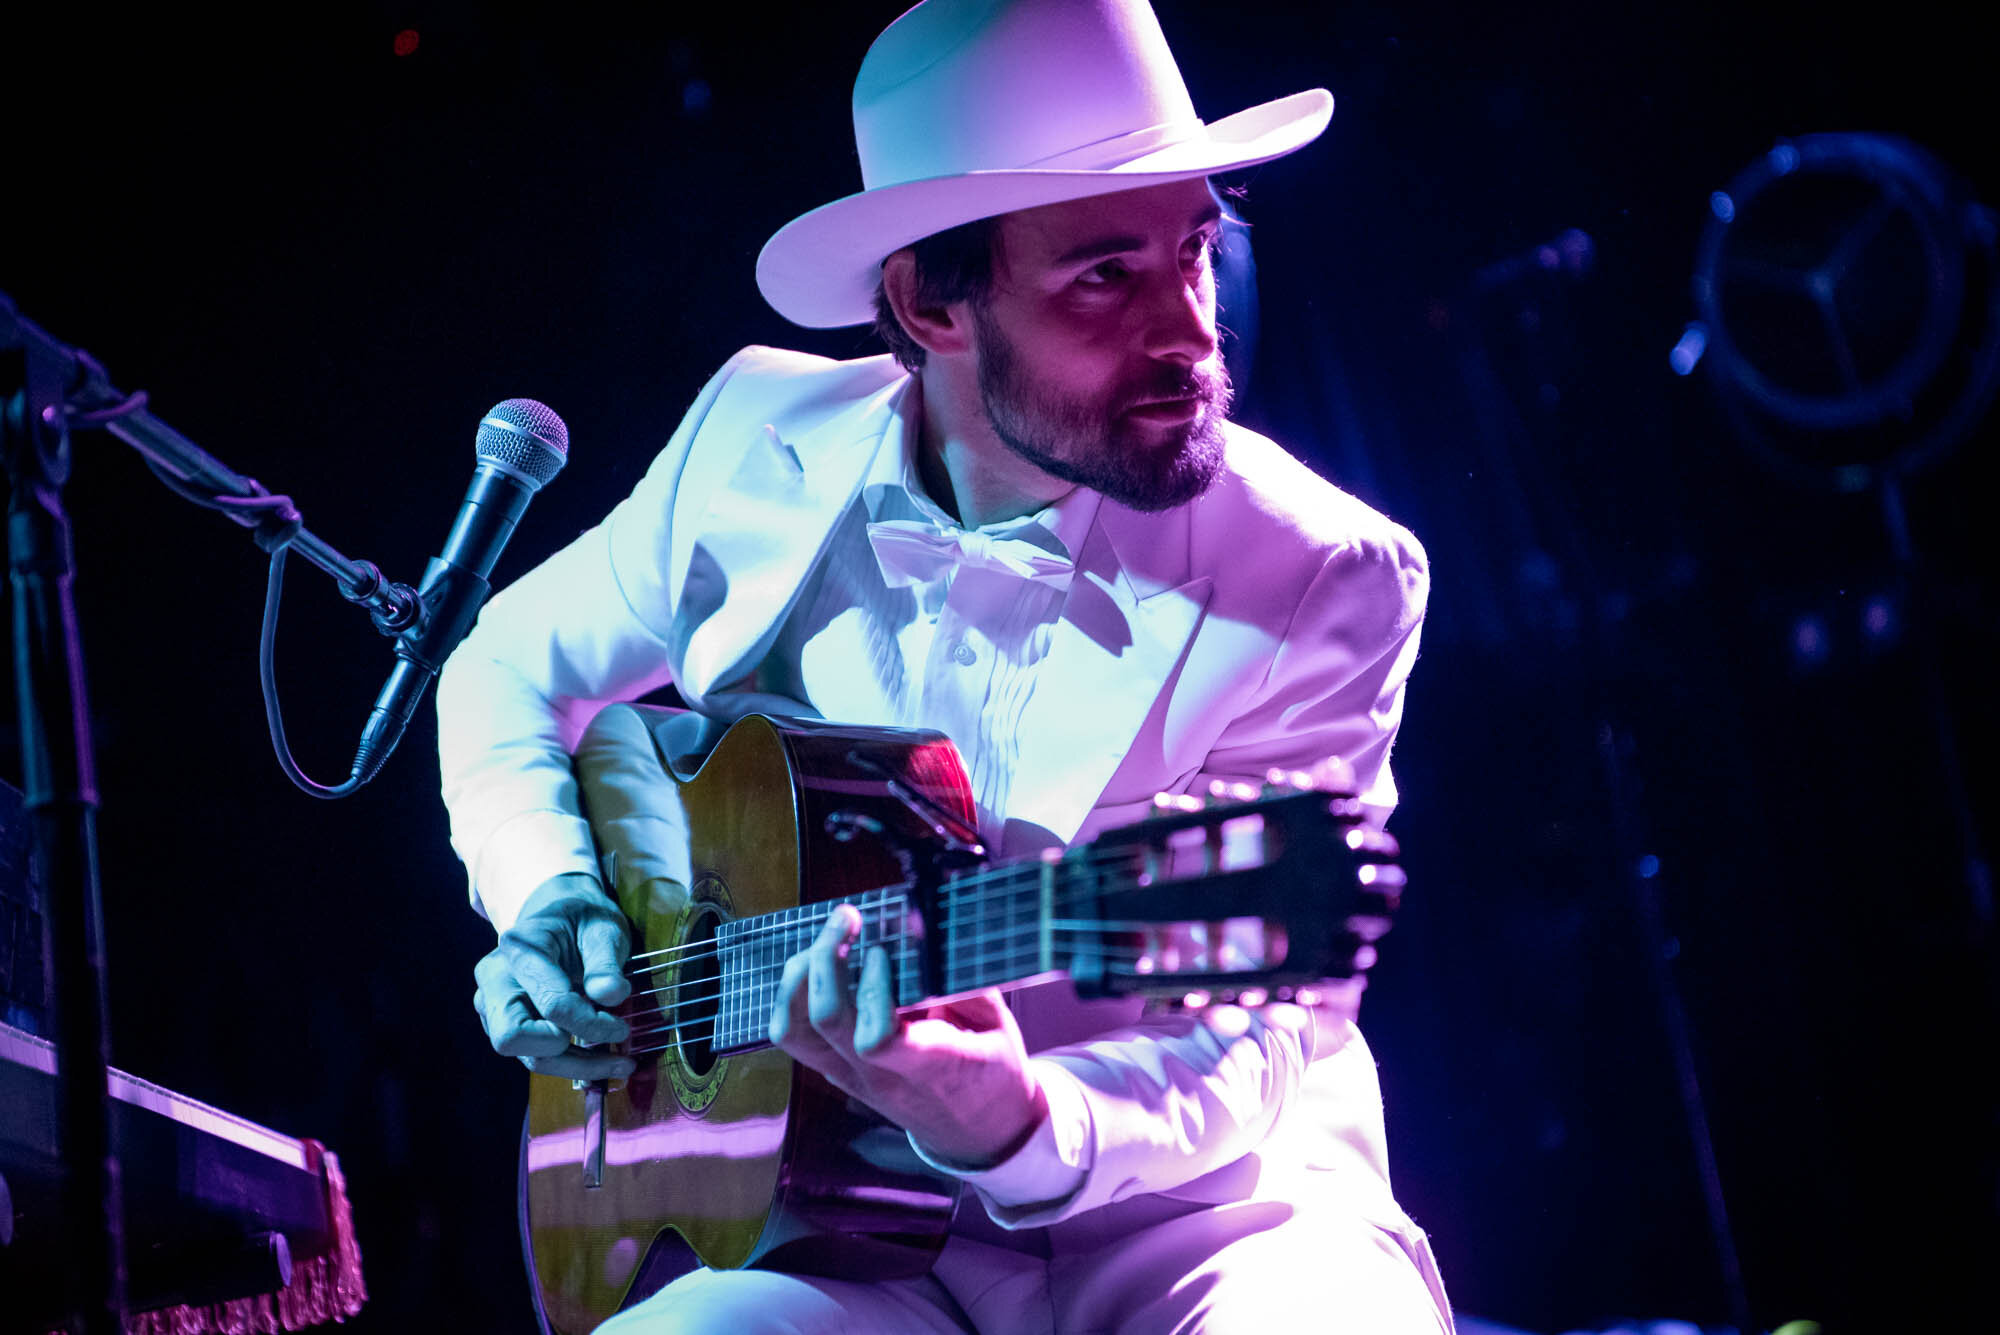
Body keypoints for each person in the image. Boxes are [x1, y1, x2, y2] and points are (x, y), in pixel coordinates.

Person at [440, 1, 1449, 1330]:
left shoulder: (1322, 573)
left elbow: (1258, 1034)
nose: (1193, 330)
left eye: (1195, 250)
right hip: (830, 1231)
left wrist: (1016, 1117)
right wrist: (554, 903)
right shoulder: (753, 439)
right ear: (929, 302)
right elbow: (500, 667)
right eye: (1106, 275)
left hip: (1204, 1217)